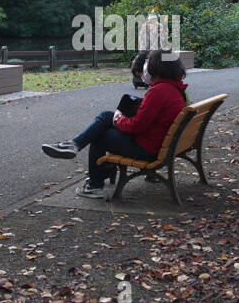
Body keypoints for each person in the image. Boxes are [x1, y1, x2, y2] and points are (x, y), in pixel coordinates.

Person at [41, 50, 188, 198]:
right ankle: (74, 146)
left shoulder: (159, 91)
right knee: (106, 117)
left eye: (148, 63)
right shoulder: (176, 89)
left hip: (148, 149)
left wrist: (118, 120)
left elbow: (136, 126)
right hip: (160, 145)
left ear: (156, 68)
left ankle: (94, 183)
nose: (146, 67)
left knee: (99, 135)